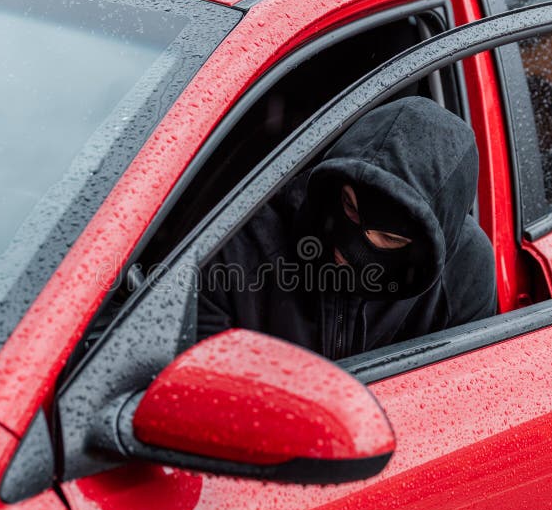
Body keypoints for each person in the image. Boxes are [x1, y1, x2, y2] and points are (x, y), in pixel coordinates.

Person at [197, 96, 497, 360]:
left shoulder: (464, 272)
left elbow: (459, 400)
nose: (345, 252)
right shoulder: (243, 244)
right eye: (350, 208)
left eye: (389, 238)